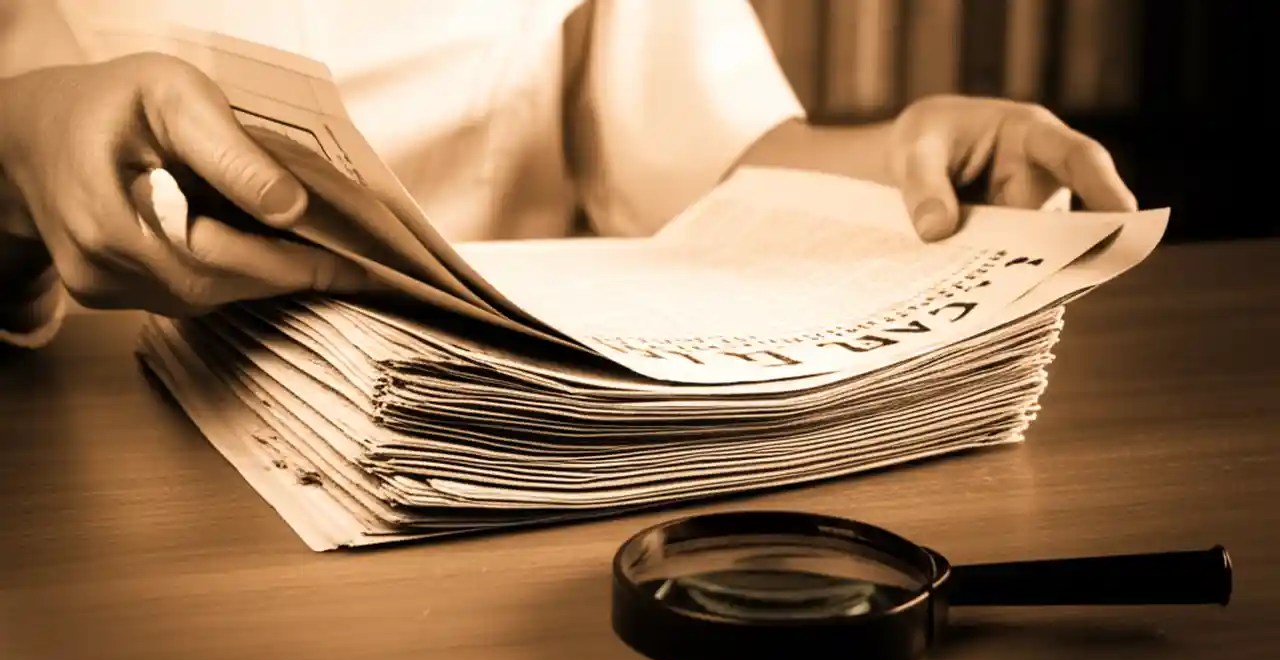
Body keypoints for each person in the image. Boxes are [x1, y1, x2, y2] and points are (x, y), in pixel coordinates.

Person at [0, 0, 1137, 349]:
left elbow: (703, 158)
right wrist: (11, 153)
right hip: (102, 458)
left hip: (506, 428)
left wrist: (892, 170)